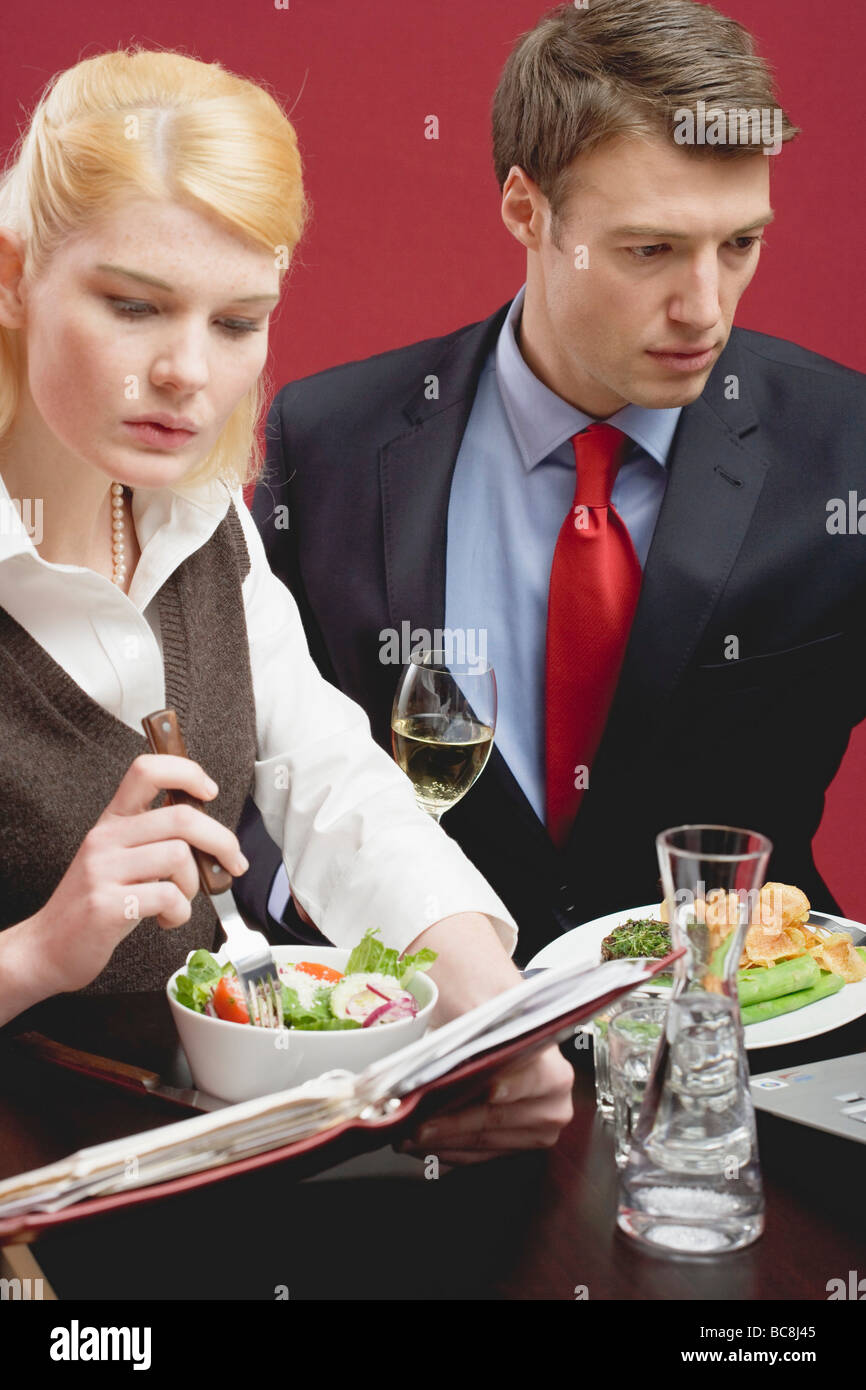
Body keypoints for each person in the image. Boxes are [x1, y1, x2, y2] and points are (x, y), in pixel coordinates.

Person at [0, 46, 574, 1161]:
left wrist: (498, 1018)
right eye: (135, 305)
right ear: (14, 276)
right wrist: (35, 953)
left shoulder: (206, 519)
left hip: (193, 1156)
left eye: (235, 322)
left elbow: (333, 781)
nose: (188, 373)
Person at [242, 0, 866, 969]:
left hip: (743, 1034)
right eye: (649, 249)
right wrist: (322, 909)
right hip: (423, 1037)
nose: (704, 308)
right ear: (525, 211)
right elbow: (248, 760)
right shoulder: (326, 441)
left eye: (739, 244)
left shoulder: (845, 447)